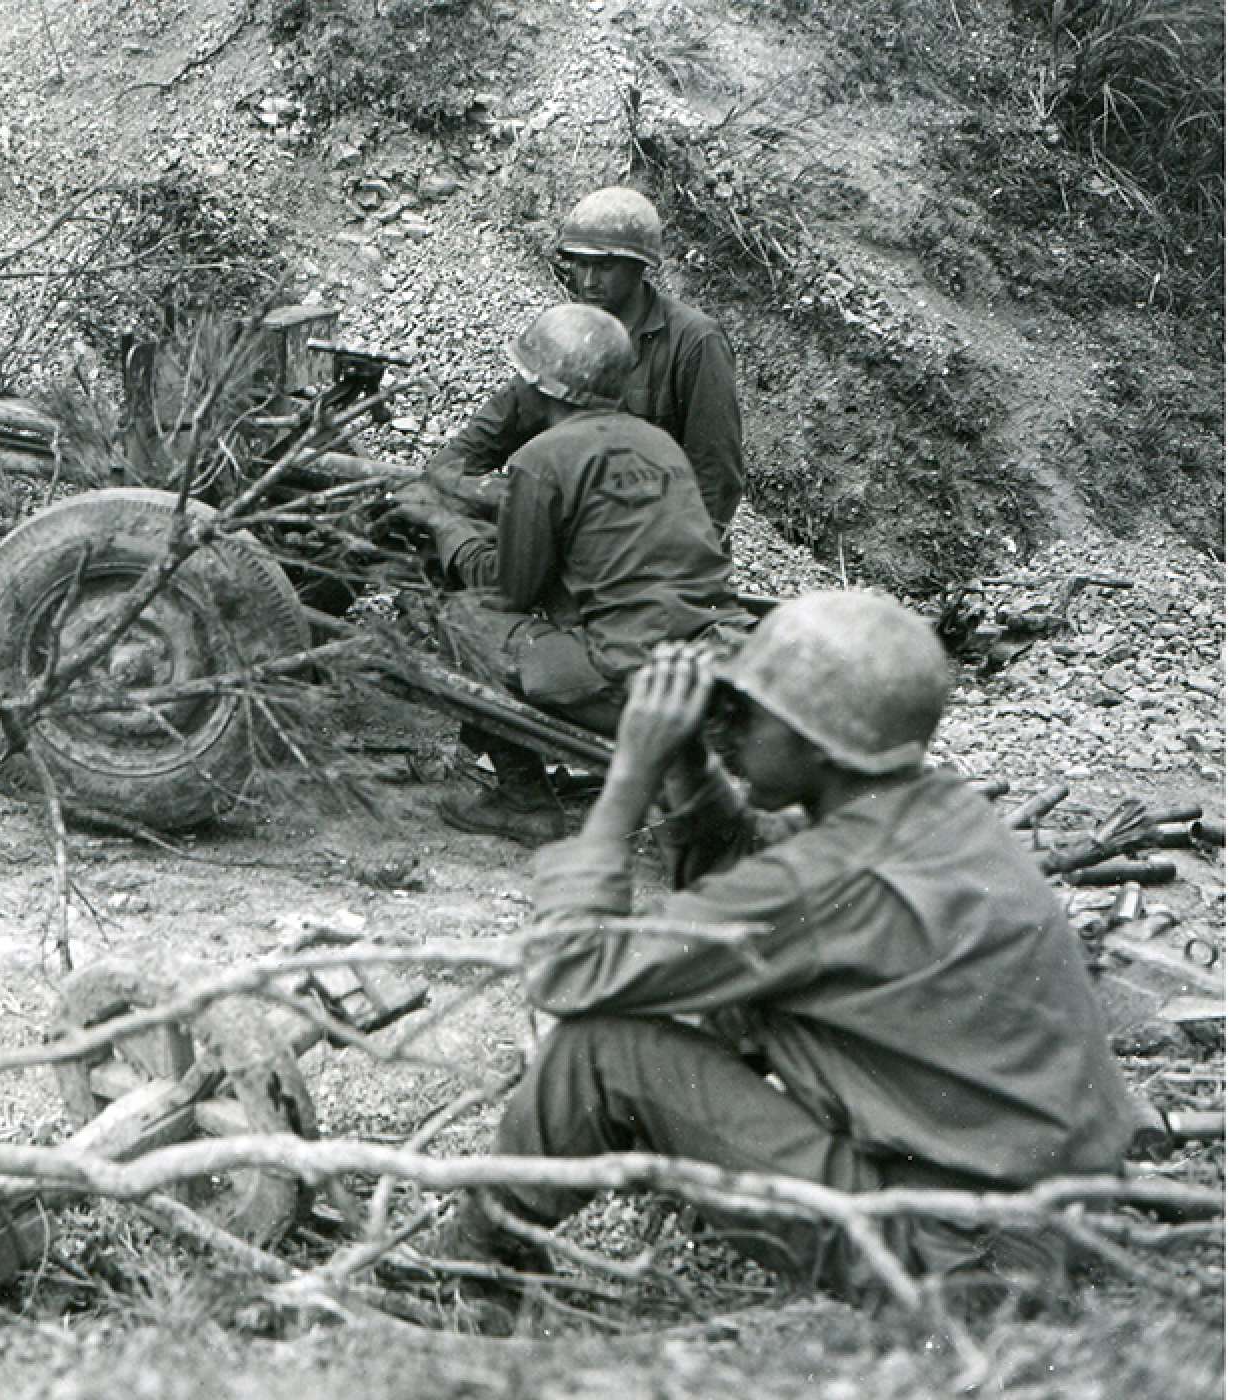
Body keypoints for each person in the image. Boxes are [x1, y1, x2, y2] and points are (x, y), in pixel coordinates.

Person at [429, 592, 1141, 1307]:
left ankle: (476, 1278)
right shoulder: (934, 814)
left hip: (954, 1260)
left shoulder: (833, 877)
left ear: (817, 742)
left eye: (749, 715)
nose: (730, 729)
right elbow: (761, 885)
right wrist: (691, 765)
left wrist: (628, 780)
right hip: (1050, 1222)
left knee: (601, 1052)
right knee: (721, 1014)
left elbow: (569, 969)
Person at [386, 302, 750, 848]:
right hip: (709, 649)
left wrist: (444, 523)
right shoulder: (659, 444)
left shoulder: (542, 456)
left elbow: (507, 590)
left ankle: (523, 798)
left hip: (627, 670)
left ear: (544, 388)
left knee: (459, 617)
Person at [424, 186, 744, 543]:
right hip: (584, 528)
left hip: (655, 535)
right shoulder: (566, 335)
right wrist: (439, 483)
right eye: (580, 264)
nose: (589, 281)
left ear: (639, 267)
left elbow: (715, 473)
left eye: (605, 267)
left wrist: (683, 557)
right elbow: (500, 423)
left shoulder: (694, 341)